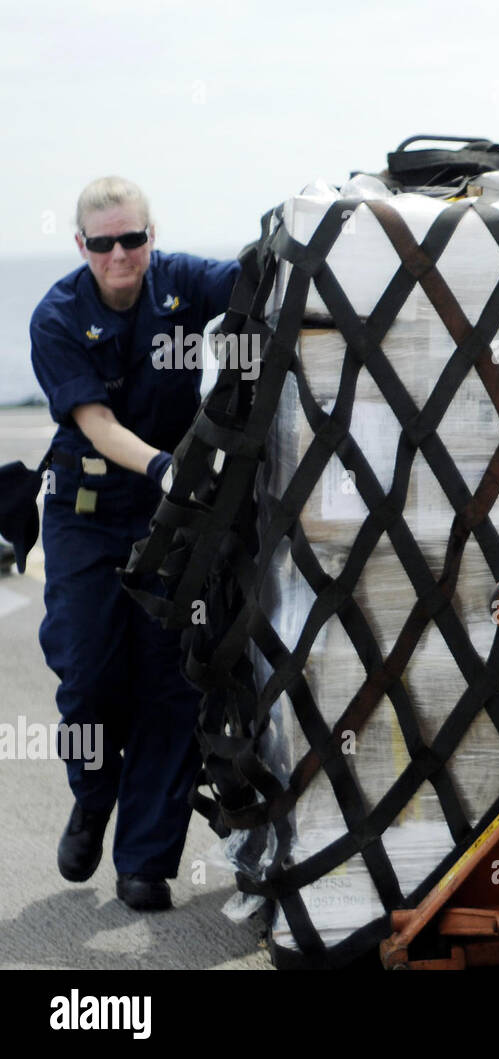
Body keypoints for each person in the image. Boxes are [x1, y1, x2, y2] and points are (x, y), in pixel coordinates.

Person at [29, 176, 239, 911]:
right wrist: (164, 464)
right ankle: (94, 795)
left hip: (171, 516)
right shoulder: (56, 316)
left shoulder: (181, 282)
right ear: (81, 245)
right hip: (88, 511)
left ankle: (145, 861)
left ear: (154, 235)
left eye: (134, 239)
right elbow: (94, 423)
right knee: (87, 674)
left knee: (168, 680)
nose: (122, 255)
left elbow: (264, 278)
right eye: (105, 242)